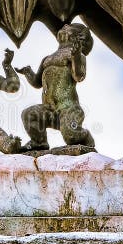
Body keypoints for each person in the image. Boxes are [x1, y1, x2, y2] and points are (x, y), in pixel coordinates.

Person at [16, 23, 96, 151]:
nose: (64, 25)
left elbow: (79, 76)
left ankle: (85, 136)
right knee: (29, 114)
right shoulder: (47, 58)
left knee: (71, 135)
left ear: (79, 37)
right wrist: (27, 72)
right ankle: (39, 142)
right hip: (49, 109)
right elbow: (37, 82)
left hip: (69, 108)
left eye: (69, 26)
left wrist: (75, 57)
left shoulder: (77, 55)